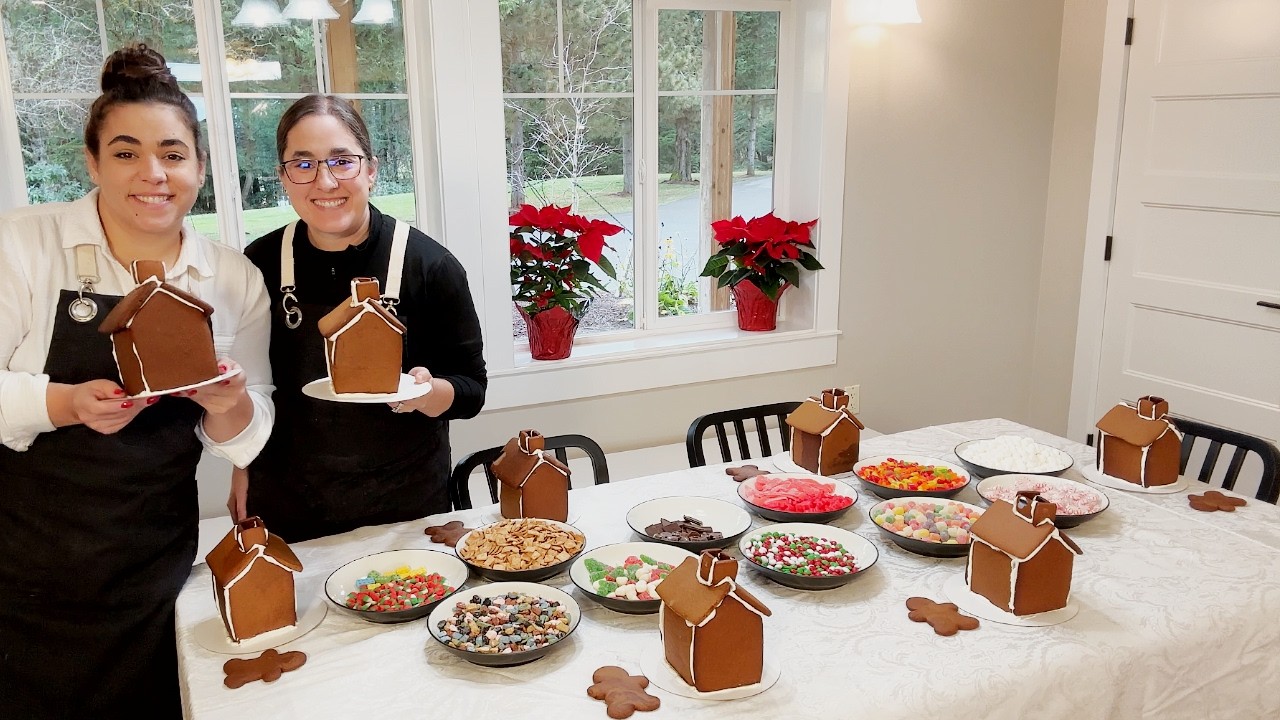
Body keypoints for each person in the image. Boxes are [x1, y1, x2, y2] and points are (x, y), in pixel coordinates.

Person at [0, 45, 274, 717]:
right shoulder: (21, 246)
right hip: (26, 570)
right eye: (126, 153)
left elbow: (248, 435)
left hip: (157, 564)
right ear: (92, 163)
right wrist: (64, 403)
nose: (153, 174)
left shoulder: (231, 278)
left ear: (199, 168)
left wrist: (229, 402)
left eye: (173, 154)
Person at [238, 94, 485, 542]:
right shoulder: (259, 263)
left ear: (371, 170)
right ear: (284, 177)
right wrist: (241, 467)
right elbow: (252, 386)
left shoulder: (430, 265)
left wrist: (425, 393)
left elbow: (471, 390)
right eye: (303, 164)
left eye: (342, 161)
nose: (325, 181)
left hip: (405, 507)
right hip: (288, 503)